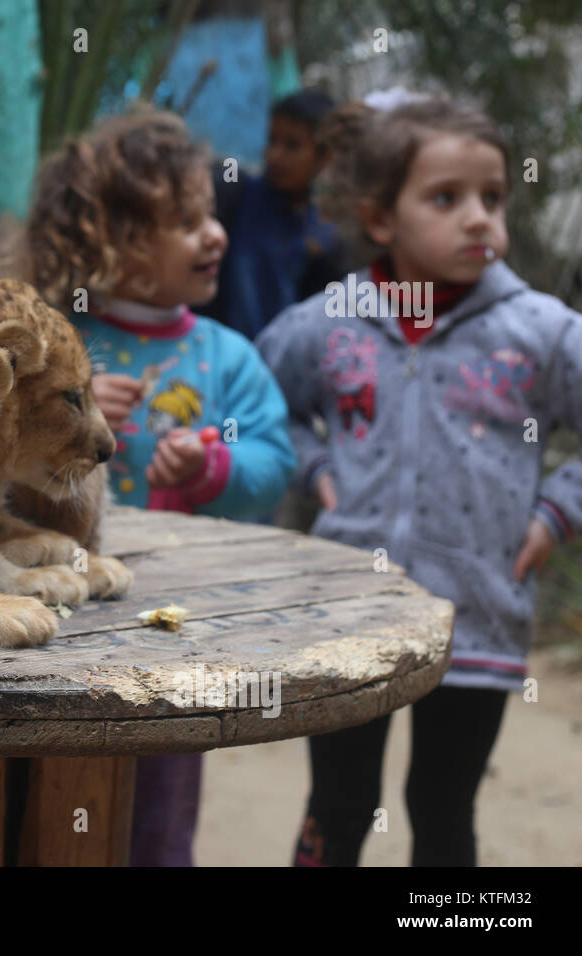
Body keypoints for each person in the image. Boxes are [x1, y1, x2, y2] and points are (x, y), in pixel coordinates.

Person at [257, 95, 582, 866]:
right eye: (447, 198)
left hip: (475, 616)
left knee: (441, 811)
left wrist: (556, 513)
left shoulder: (541, 331)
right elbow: (263, 403)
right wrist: (316, 467)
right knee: (337, 807)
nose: (480, 218)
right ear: (379, 219)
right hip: (349, 619)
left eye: (493, 197)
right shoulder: (328, 322)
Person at [21, 105, 295, 866]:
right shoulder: (54, 345)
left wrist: (215, 470)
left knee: (159, 817)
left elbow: (275, 461)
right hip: (58, 634)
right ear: (115, 244)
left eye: (209, 215)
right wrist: (67, 419)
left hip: (176, 636)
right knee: (48, 797)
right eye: (186, 221)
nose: (217, 235)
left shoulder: (226, 355)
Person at [202, 89, 344, 342]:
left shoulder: (328, 232)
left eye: (292, 146)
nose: (275, 155)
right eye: (272, 141)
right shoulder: (236, 198)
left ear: (325, 155)